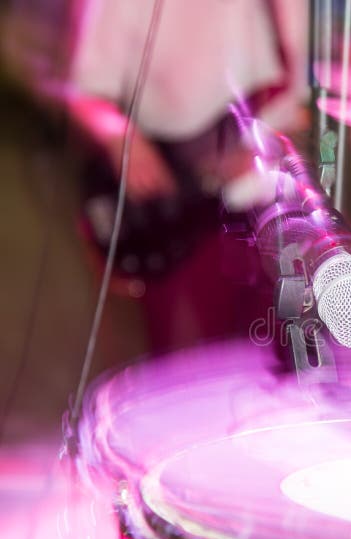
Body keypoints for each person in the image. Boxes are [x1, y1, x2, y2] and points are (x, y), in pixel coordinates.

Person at [65, 0, 308, 352]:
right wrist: (123, 139)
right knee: (191, 359)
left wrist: (272, 135)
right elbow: (85, 93)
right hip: (179, 205)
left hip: (270, 201)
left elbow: (296, 76)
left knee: (285, 349)